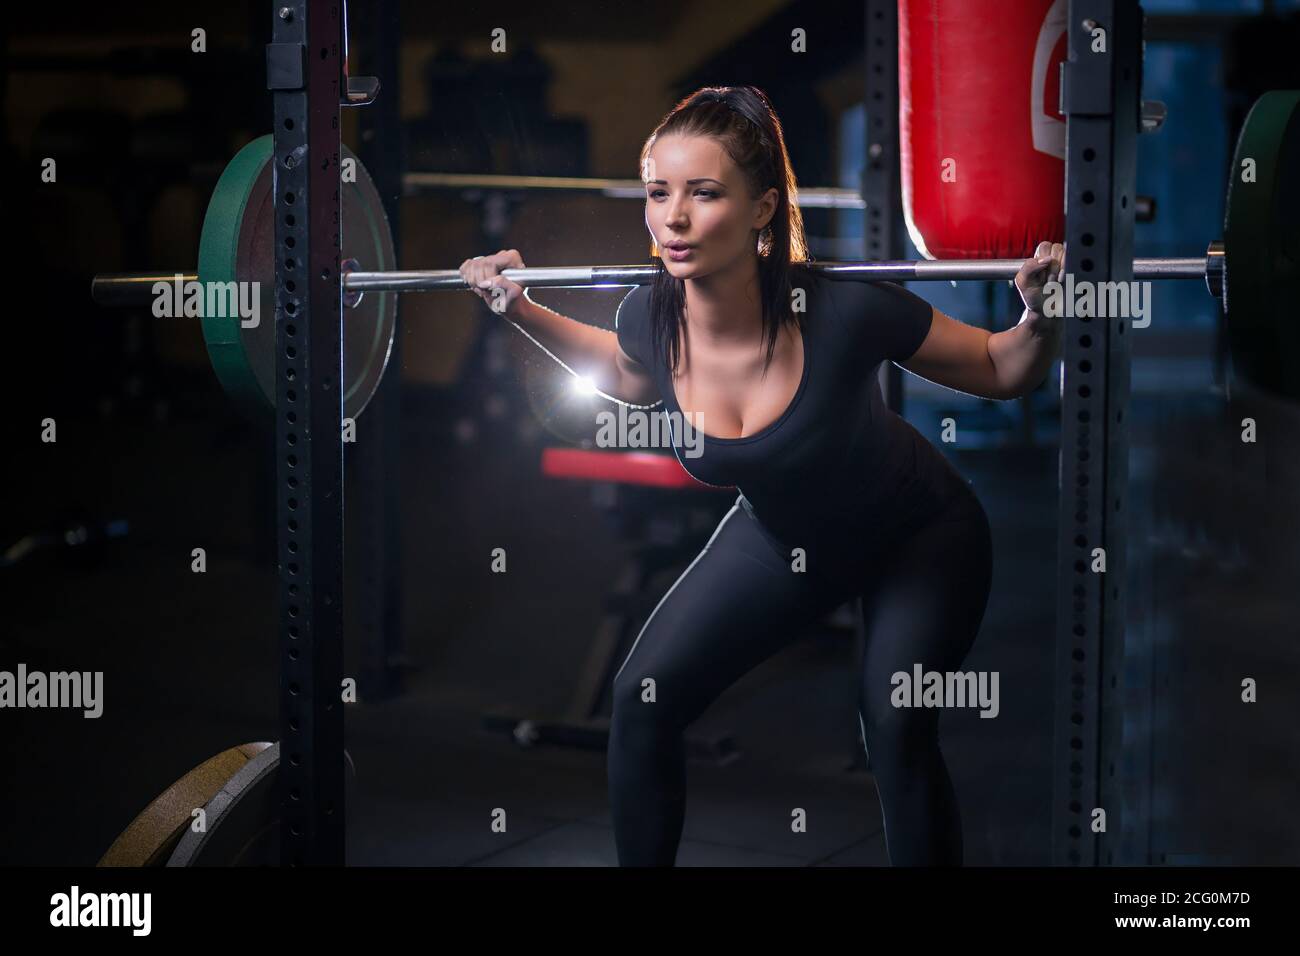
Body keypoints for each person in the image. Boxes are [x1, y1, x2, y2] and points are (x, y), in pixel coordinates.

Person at [459, 85, 1063, 866]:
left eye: (704, 193)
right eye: (658, 192)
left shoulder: (846, 312)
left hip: (918, 537)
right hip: (781, 536)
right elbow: (626, 370)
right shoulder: (648, 317)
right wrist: (519, 305)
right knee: (642, 700)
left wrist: (1039, 318)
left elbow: (998, 367)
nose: (672, 218)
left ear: (761, 209)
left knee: (893, 722)